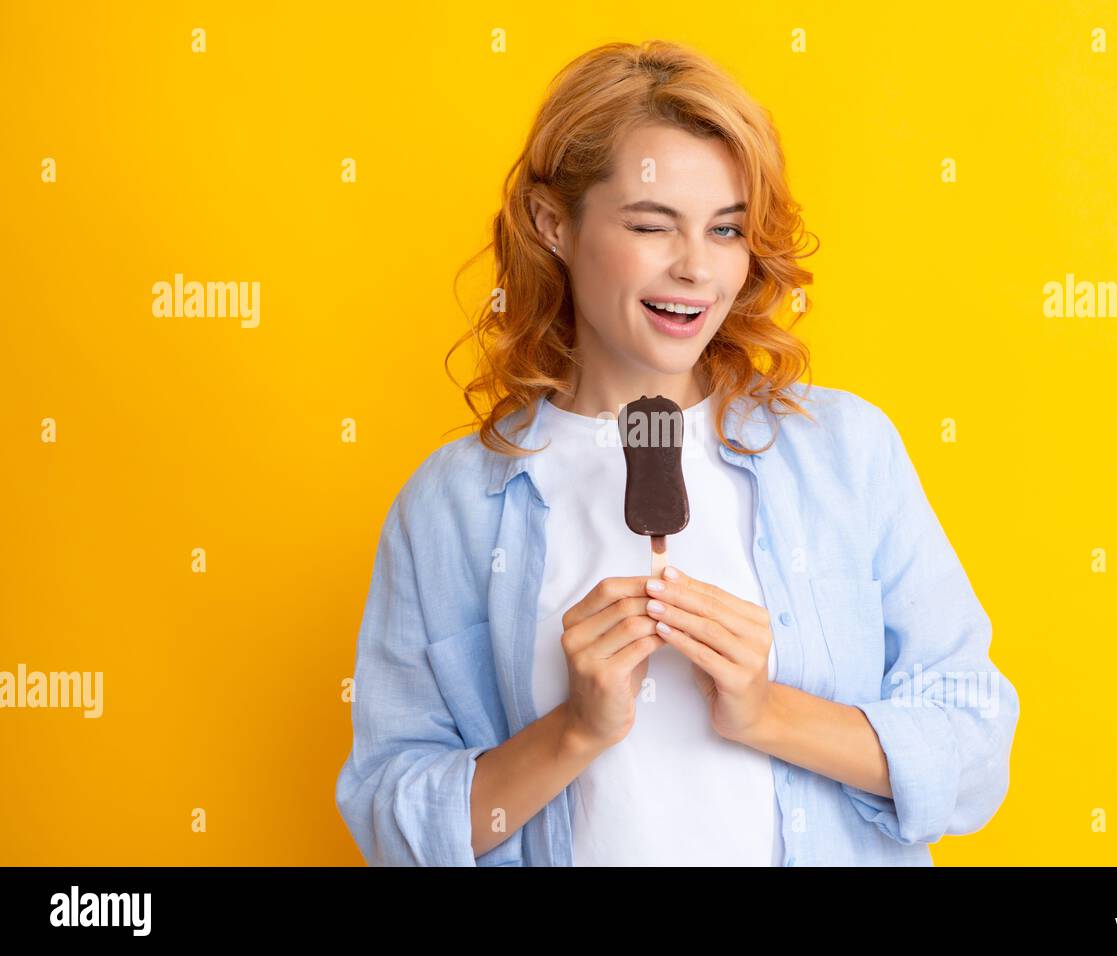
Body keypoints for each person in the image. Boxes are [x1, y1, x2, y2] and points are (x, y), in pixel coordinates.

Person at [335, 39, 1019, 866]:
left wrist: (764, 712)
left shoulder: (846, 452)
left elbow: (975, 748)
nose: (697, 268)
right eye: (652, 225)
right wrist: (575, 729)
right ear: (556, 225)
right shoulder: (449, 506)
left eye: (726, 230)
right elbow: (392, 828)